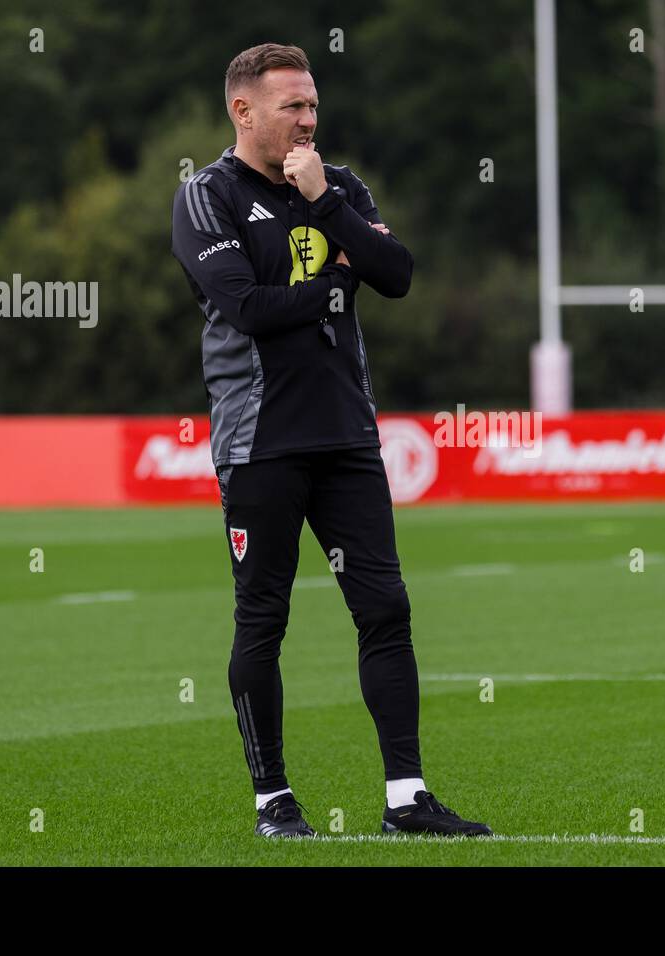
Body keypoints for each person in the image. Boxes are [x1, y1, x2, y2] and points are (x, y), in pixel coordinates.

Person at [170, 42, 491, 838]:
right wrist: (333, 281)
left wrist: (326, 205)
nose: (309, 120)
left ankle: (406, 798)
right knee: (263, 620)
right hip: (260, 440)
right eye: (293, 107)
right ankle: (272, 799)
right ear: (243, 111)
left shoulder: (337, 185)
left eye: (313, 104)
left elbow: (399, 272)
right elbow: (249, 309)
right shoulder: (206, 197)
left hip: (346, 434)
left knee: (385, 609)